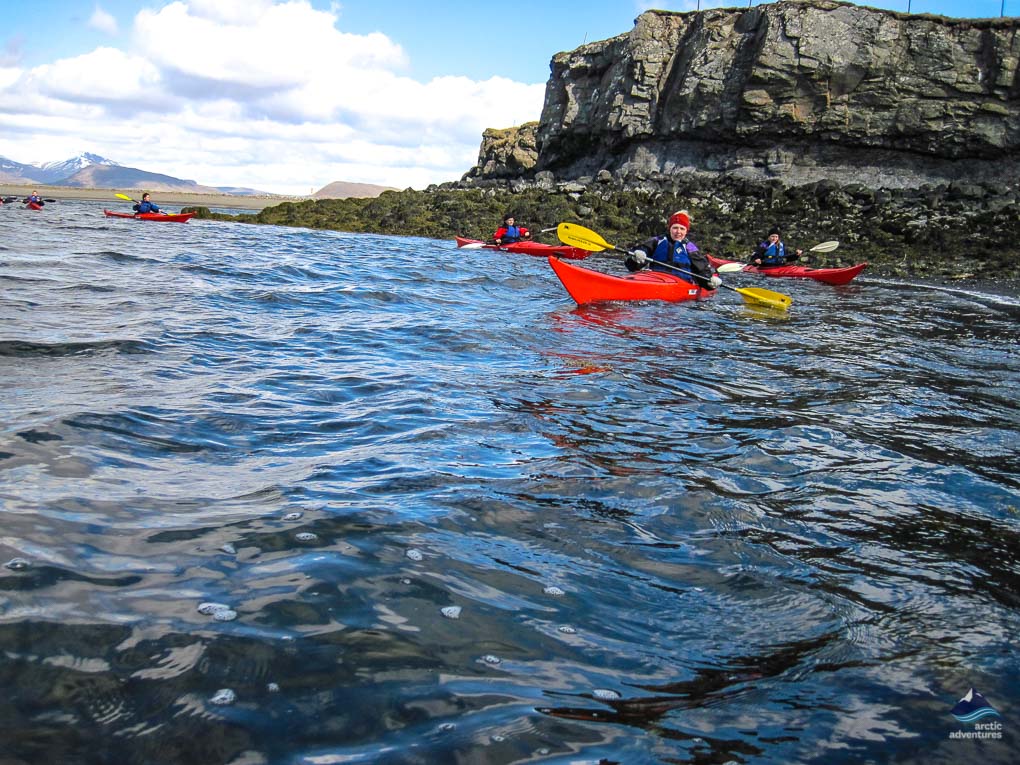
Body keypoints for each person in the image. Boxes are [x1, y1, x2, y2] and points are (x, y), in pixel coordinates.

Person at [624, 210, 721, 290]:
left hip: (680, 283)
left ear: (686, 231)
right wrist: (636, 255)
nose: (678, 232)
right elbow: (633, 264)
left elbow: (702, 269)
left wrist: (710, 281)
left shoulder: (689, 247)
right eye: (675, 228)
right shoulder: (657, 241)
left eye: (682, 229)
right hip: (653, 277)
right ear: (670, 228)